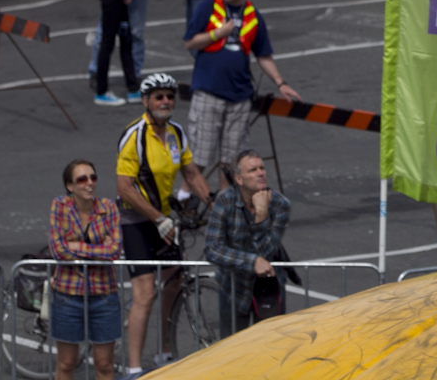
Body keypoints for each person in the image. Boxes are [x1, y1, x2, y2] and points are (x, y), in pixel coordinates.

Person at [116, 74, 212, 376]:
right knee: (145, 292)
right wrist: (156, 218)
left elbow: (192, 174)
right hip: (136, 220)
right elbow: (124, 187)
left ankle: (165, 352)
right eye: (159, 97)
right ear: (146, 101)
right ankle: (133, 368)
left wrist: (214, 203)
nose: (165, 102)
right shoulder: (134, 136)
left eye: (169, 97)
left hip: (165, 220)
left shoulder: (176, 134)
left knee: (175, 283)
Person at [184, 0, 302, 186]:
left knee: (230, 162)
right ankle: (186, 200)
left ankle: (225, 206)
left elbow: (263, 55)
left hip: (239, 96)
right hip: (209, 91)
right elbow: (190, 41)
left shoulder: (253, 16)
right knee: (200, 157)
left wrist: (281, 83)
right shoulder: (209, 6)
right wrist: (218, 33)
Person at [203, 150, 291, 337]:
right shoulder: (225, 200)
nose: (260, 173)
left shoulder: (279, 204)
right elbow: (212, 248)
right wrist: (251, 261)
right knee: (231, 353)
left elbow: (267, 251)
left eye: (262, 168)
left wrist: (261, 216)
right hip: (234, 289)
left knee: (270, 351)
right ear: (239, 179)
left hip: (268, 289)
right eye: (252, 170)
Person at [48, 160, 122, 380]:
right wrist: (100, 248)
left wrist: (77, 247)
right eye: (82, 179)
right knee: (67, 363)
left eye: (93, 177)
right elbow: (58, 251)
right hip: (68, 295)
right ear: (70, 186)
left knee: (105, 365)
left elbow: (115, 251)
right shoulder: (60, 205)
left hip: (104, 295)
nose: (89, 183)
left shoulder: (108, 207)